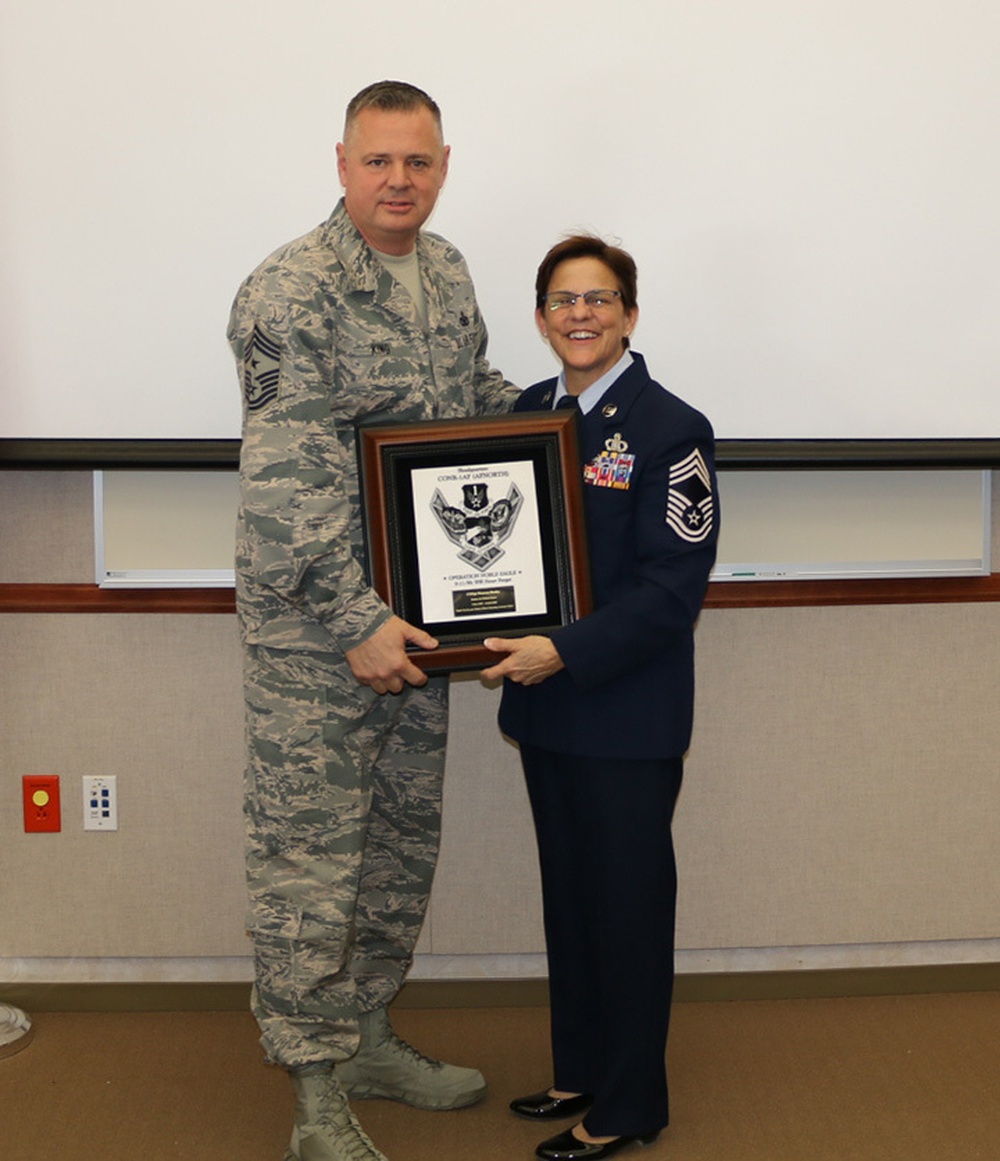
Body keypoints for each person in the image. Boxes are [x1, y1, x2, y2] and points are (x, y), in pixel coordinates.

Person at [227, 80, 518, 1161]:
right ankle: (312, 1097)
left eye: (420, 162)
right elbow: (286, 486)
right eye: (379, 161)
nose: (400, 181)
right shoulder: (289, 291)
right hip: (318, 634)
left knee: (397, 843)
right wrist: (354, 617)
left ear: (444, 164)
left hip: (419, 621)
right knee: (310, 860)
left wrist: (560, 433)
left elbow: (465, 404)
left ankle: (367, 1038)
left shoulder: (443, 272)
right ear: (341, 164)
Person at [483, 235, 719, 1160]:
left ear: (628, 312)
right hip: (547, 710)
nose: (580, 315)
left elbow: (672, 590)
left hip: (623, 713)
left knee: (626, 908)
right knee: (572, 900)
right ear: (541, 318)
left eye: (599, 298)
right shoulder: (524, 413)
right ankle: (580, 1068)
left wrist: (561, 650)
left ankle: (628, 1104)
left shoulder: (670, 427)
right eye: (562, 300)